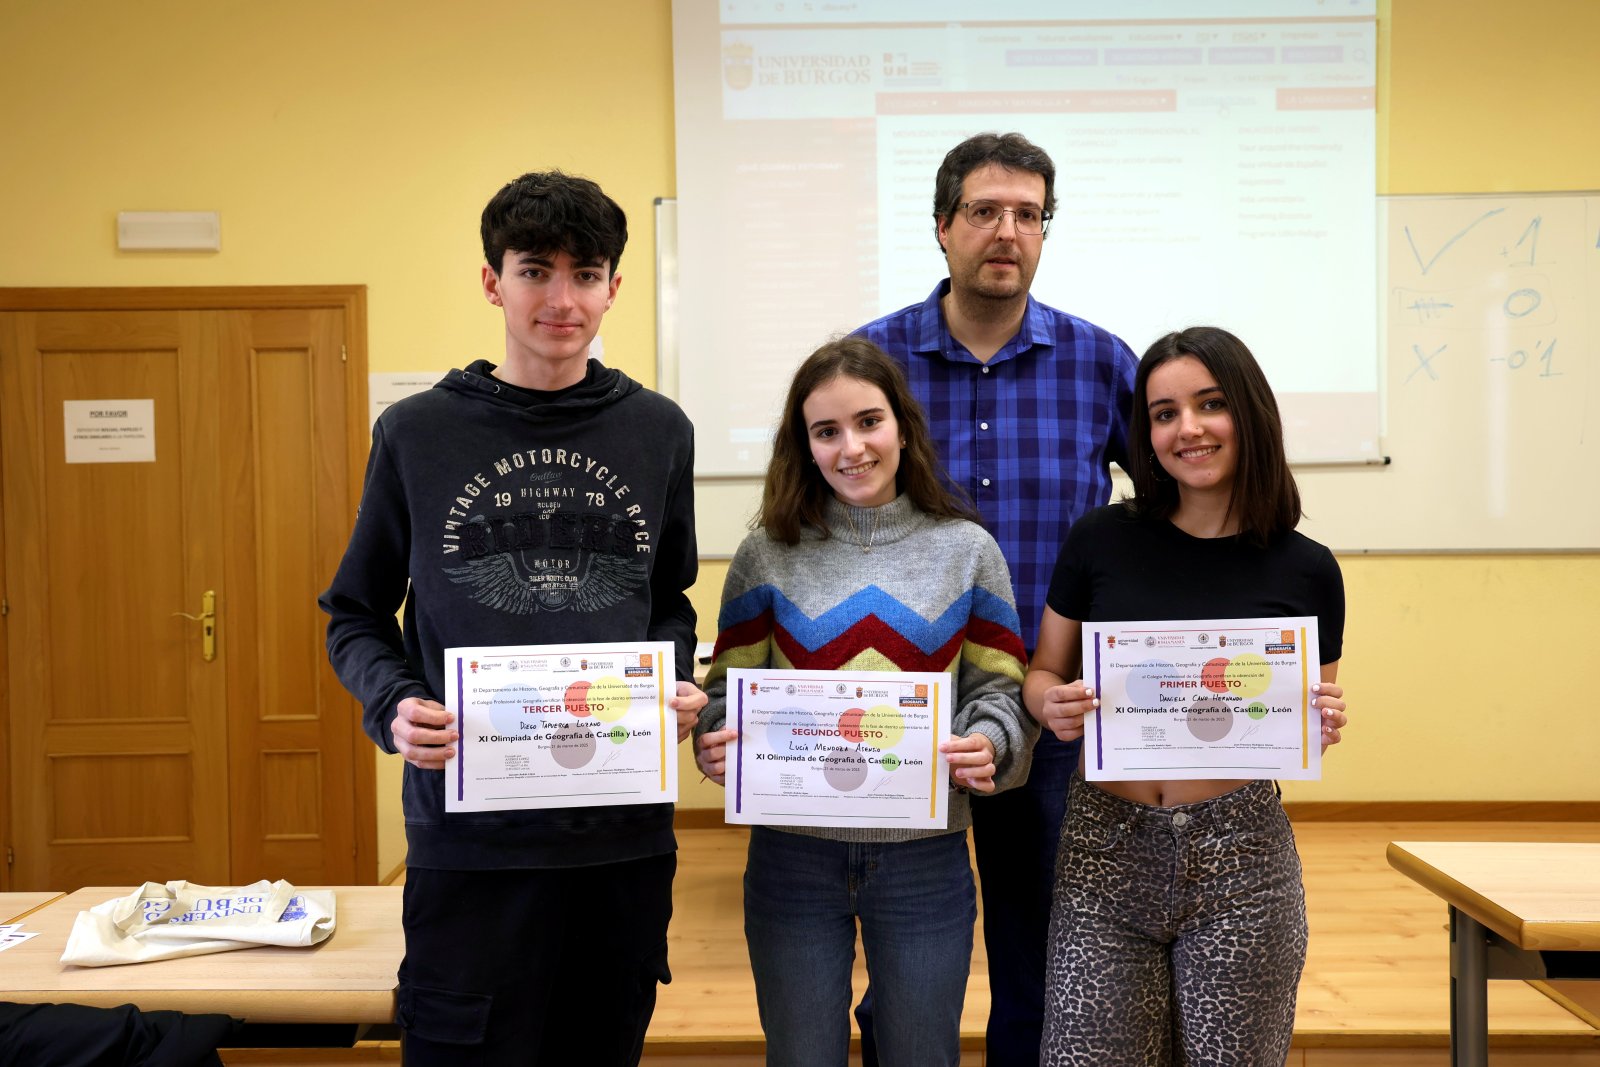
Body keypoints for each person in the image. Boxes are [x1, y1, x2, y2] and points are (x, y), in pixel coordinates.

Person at [318, 170, 705, 1066]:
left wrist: (674, 676)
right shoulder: (417, 432)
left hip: (620, 842)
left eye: (585, 273)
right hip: (470, 842)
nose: (561, 298)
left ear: (615, 286)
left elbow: (669, 602)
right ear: (492, 280)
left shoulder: (660, 431)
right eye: (535, 270)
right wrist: (394, 704)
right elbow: (355, 612)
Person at [853, 130, 1138, 1065]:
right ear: (943, 227)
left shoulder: (1102, 363)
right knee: (902, 935)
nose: (1006, 231)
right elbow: (815, 517)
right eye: (984, 211)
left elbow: (1176, 511)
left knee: (1041, 937)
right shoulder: (870, 361)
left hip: (1045, 705)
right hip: (903, 700)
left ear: (1045, 231)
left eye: (1028, 214)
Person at [694, 337, 1037, 1067]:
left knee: (920, 1053)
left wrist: (990, 742)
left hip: (925, 859)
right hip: (791, 860)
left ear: (903, 427)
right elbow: (726, 690)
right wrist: (715, 737)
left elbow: (999, 690)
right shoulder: (766, 554)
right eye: (827, 431)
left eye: (869, 421)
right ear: (804, 445)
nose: (852, 446)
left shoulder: (968, 550)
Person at [1024, 326, 1350, 1066]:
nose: (1187, 429)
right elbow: (1042, 672)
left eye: (1209, 404)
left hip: (1243, 856)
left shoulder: (1309, 569)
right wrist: (1050, 703)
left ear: (1250, 415)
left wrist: (1324, 717)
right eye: (1164, 412)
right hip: (1103, 851)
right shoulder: (1099, 539)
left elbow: (1315, 702)